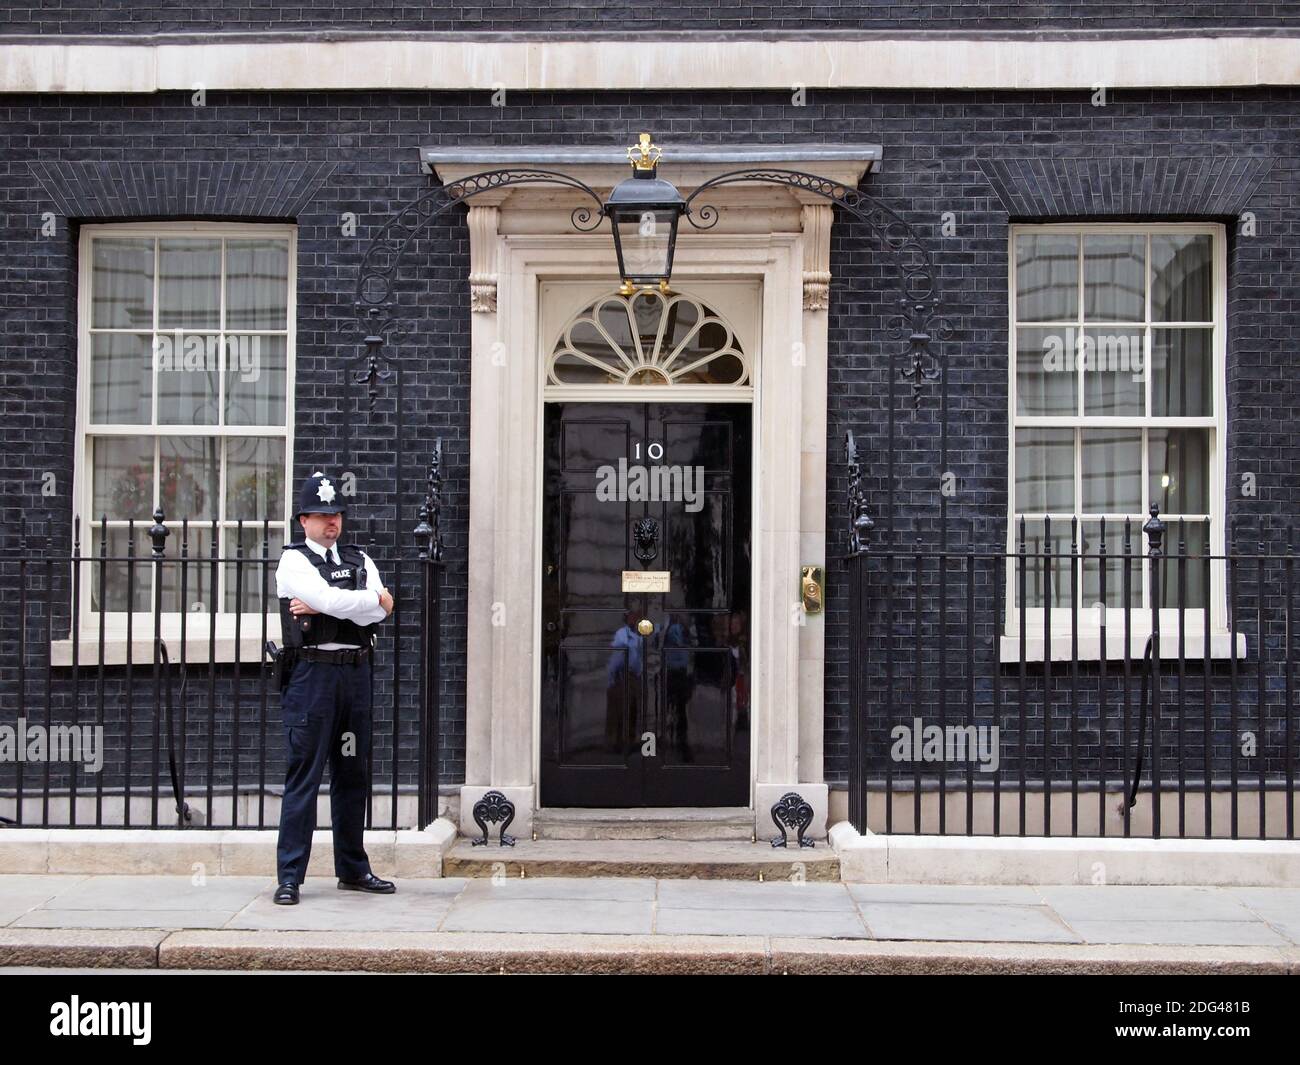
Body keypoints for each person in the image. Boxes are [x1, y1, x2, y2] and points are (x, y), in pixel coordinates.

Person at [271, 471, 395, 905]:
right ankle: (290, 877)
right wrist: (363, 601)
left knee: (352, 775)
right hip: (313, 677)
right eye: (322, 515)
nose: (331, 522)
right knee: (304, 776)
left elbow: (379, 612)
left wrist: (352, 602)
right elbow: (353, 603)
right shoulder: (293, 561)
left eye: (336, 514)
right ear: (303, 519)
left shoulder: (360, 558)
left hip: (355, 675)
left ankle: (353, 869)